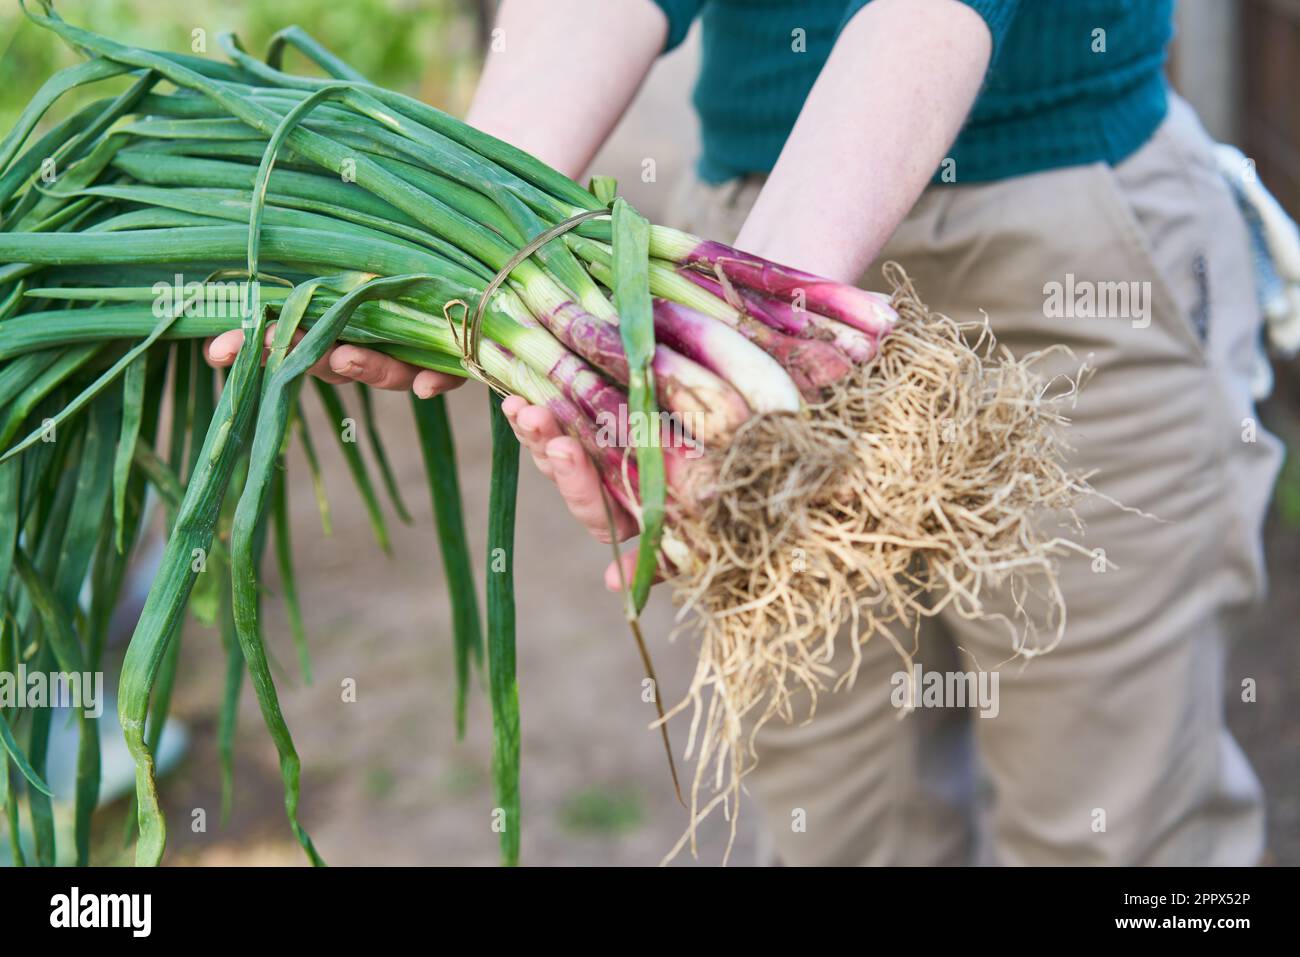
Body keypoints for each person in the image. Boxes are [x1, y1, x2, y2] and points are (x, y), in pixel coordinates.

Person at [209, 0, 1283, 865]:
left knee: (1116, 829)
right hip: (755, 222)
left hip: (1058, 240)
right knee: (837, 831)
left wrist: (735, 343)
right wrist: (454, 242)